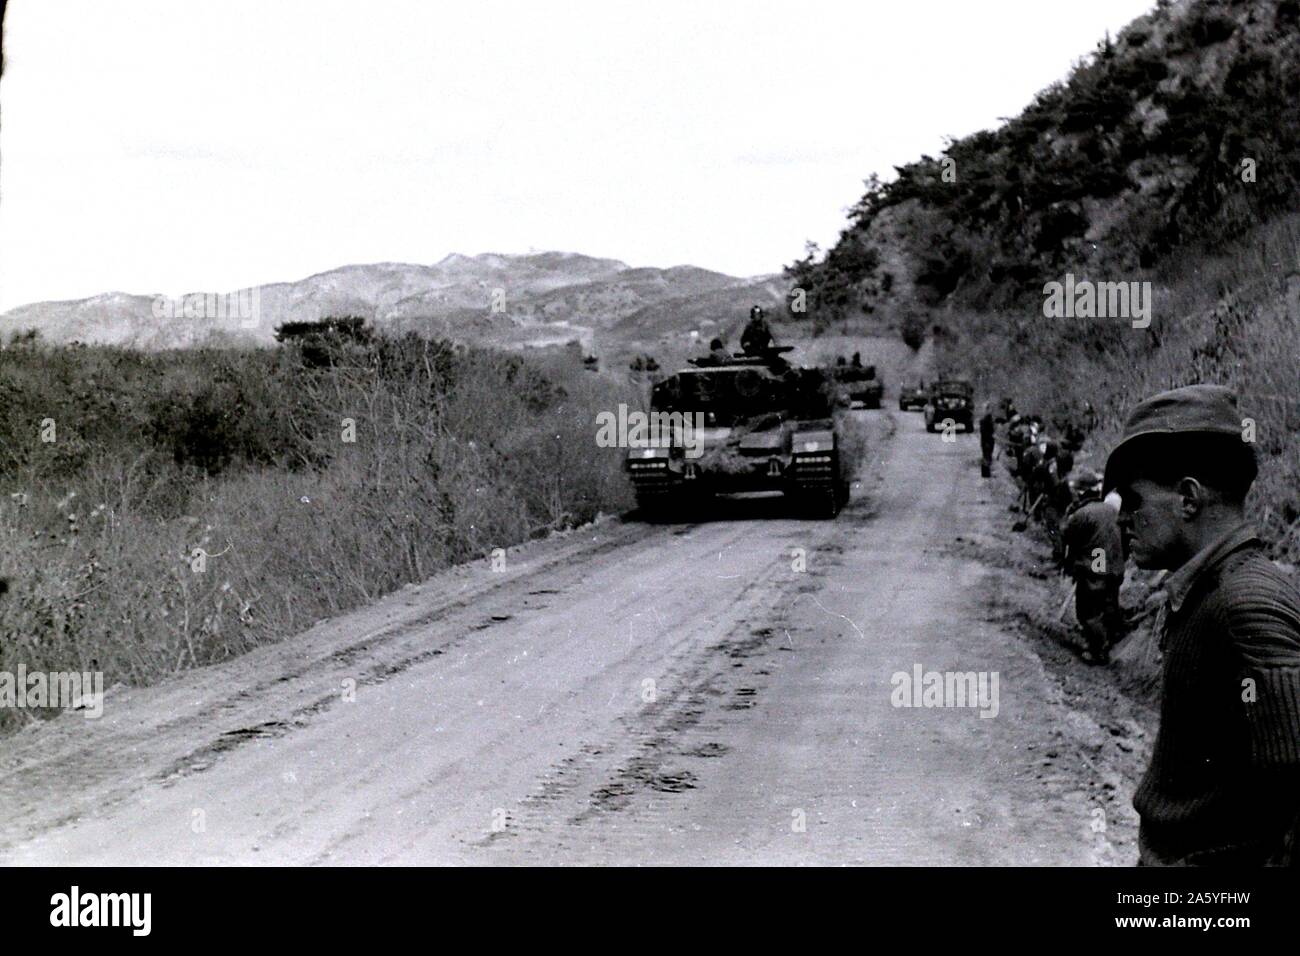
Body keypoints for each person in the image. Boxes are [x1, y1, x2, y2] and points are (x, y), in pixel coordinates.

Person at [1105, 384, 1300, 866]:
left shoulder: (1246, 604)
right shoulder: (1210, 592)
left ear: (1188, 498)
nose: (1124, 519)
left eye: (1134, 501)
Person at [1062, 469, 1124, 664]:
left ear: (1081, 492)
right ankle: (1111, 637)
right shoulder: (1111, 510)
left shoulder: (1082, 514)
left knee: (1088, 611)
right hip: (1115, 566)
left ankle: (1098, 650)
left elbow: (1067, 536)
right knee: (1108, 604)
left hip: (1097, 567)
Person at [978, 403, 996, 478]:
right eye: (990, 409)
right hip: (987, 441)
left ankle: (986, 472)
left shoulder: (987, 420)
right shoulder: (985, 421)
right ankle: (985, 473)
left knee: (988, 456)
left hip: (988, 440)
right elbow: (984, 432)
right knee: (987, 456)